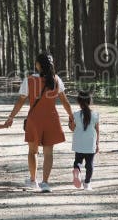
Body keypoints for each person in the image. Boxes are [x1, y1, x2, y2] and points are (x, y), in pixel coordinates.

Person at [7, 53, 75, 193]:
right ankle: (45, 183)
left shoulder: (30, 80)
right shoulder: (56, 80)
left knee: (33, 151)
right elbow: (65, 101)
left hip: (34, 119)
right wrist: (71, 117)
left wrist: (11, 117)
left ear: (38, 65)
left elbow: (20, 101)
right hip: (51, 119)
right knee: (48, 153)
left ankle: (33, 180)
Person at [71, 90, 99, 190]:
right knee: (89, 164)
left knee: (78, 161)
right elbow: (97, 130)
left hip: (78, 142)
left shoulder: (76, 114)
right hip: (90, 142)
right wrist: (97, 144)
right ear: (90, 101)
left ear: (79, 102)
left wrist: (70, 122)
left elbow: (72, 128)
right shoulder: (95, 114)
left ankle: (77, 169)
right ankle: (87, 183)